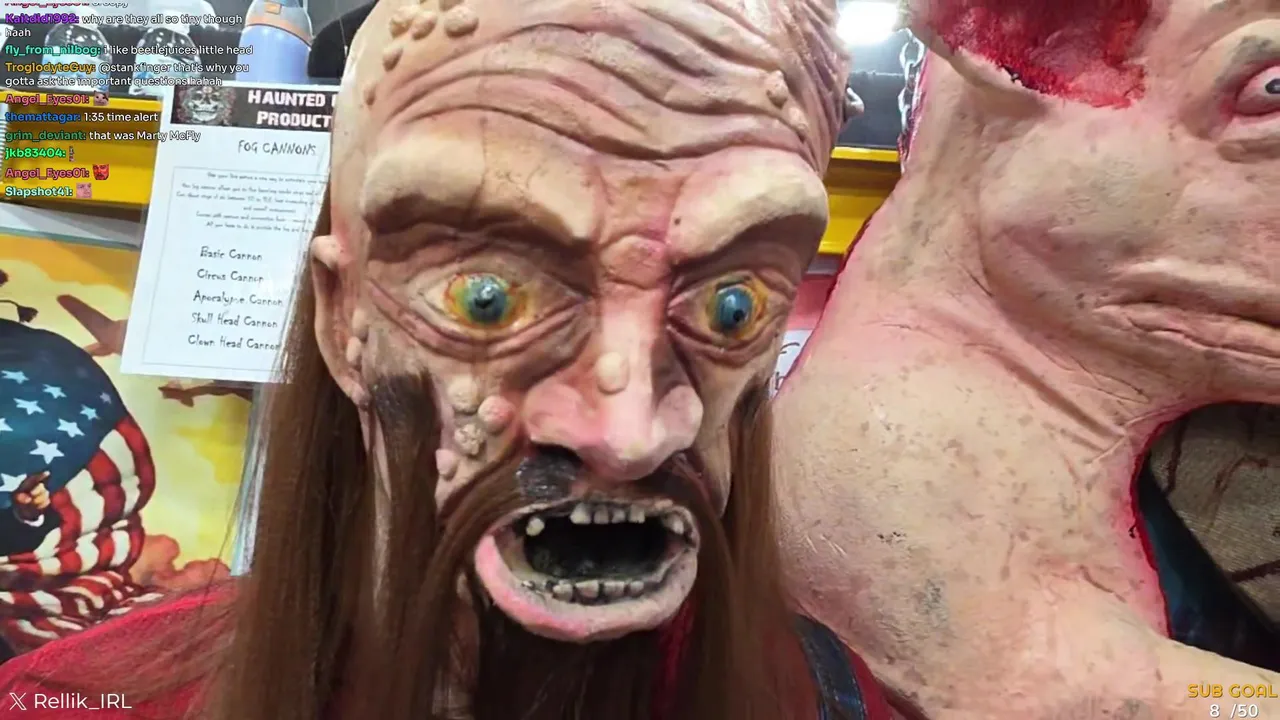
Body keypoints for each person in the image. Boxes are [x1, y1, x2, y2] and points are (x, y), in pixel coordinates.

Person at [0, 0, 892, 718]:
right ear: (343, 319)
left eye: (731, 306)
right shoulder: (77, 702)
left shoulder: (826, 701)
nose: (628, 436)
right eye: (486, 299)